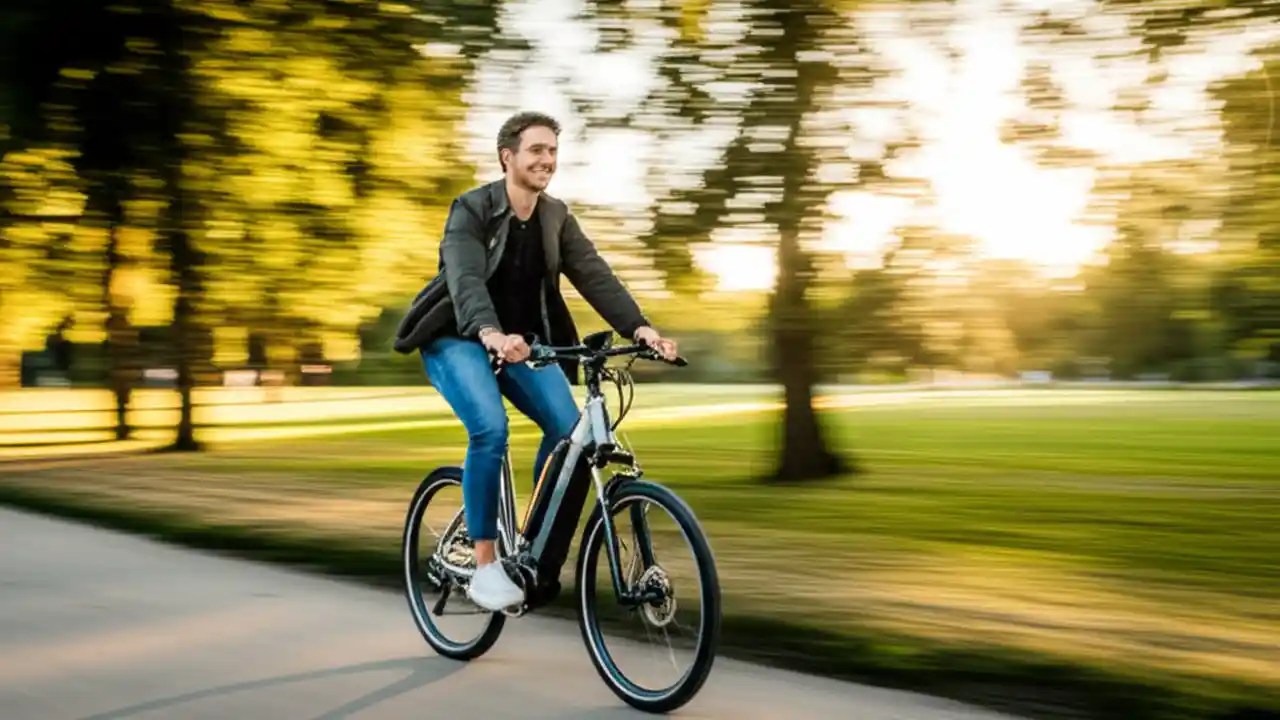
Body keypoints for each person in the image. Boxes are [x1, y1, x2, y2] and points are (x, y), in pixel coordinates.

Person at [412, 111, 678, 611]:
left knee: (569, 434)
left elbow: (595, 275)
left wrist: (640, 328)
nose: (547, 160)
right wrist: (490, 333)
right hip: (459, 338)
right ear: (507, 156)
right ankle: (486, 563)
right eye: (536, 150)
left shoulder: (556, 217)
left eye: (553, 151)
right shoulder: (470, 210)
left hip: (523, 343)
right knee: (490, 430)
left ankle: (529, 548)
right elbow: (465, 281)